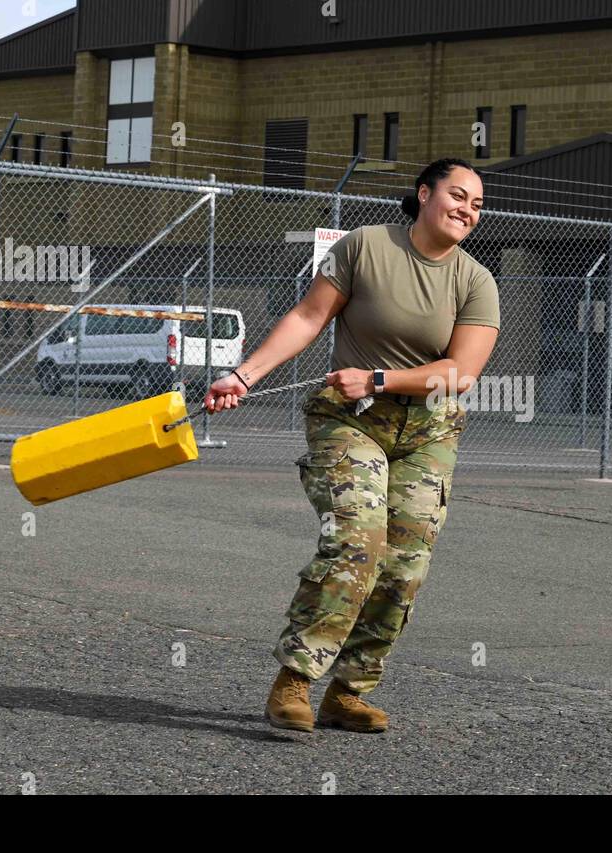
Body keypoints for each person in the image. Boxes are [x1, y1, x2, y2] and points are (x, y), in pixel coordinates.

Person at [204, 158, 500, 733]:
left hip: (426, 432)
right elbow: (309, 317)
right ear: (424, 194)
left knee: (405, 565)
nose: (468, 209)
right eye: (458, 195)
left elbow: (459, 373)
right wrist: (243, 376)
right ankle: (295, 678)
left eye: (478, 204)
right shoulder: (364, 246)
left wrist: (380, 377)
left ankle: (349, 690)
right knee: (358, 539)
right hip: (351, 422)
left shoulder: (476, 281)